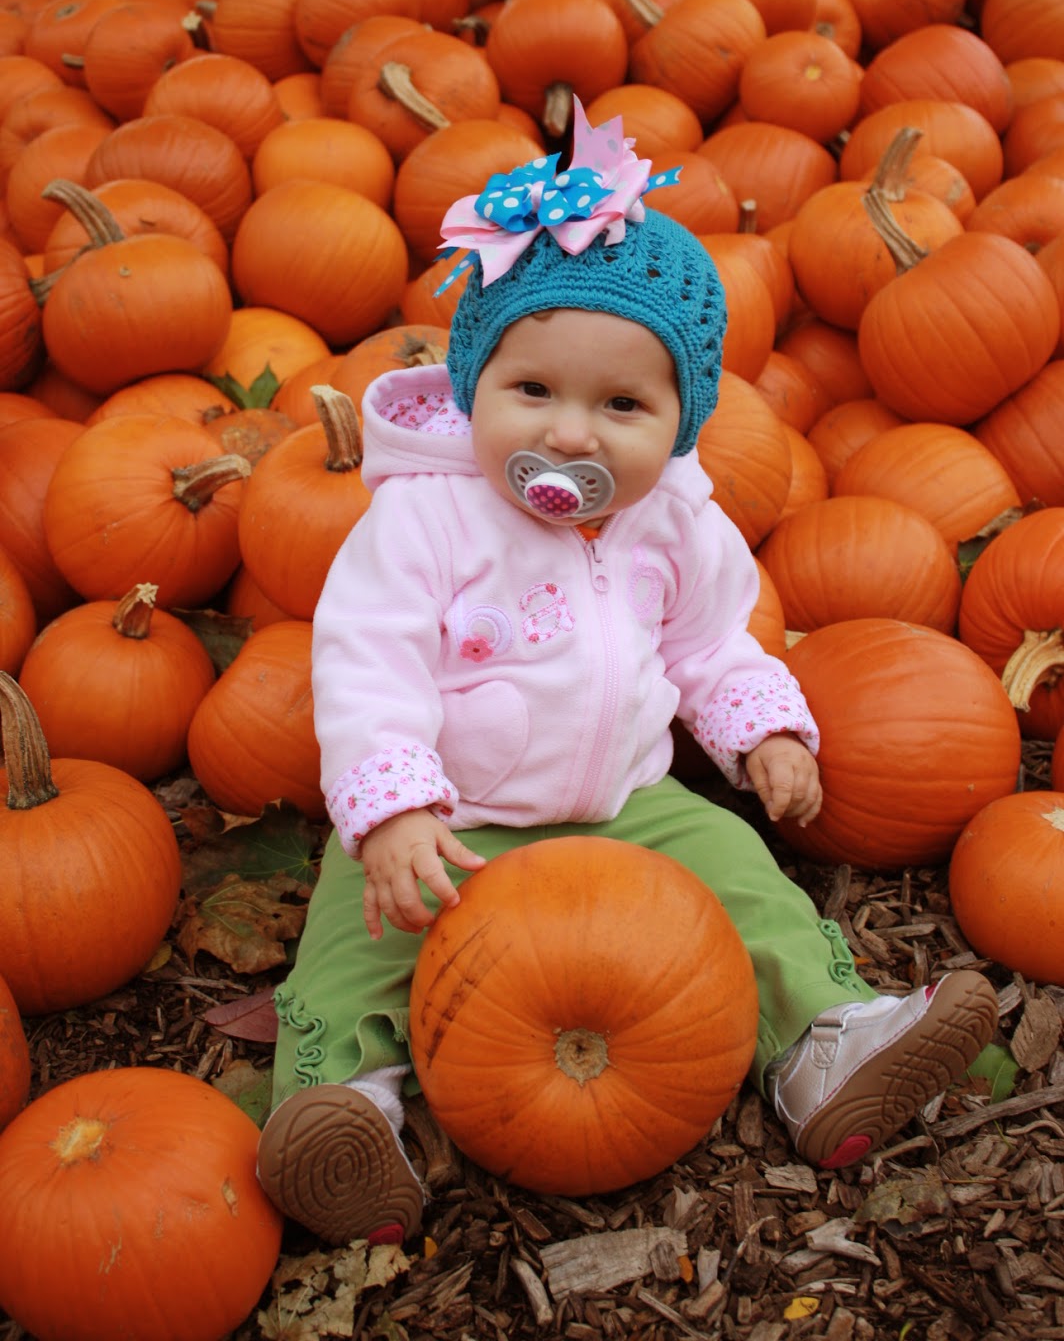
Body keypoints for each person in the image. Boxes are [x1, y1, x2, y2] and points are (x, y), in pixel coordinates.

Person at [257, 102, 998, 1247]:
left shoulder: (674, 524)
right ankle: (343, 1105)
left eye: (621, 406)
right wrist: (396, 805)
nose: (569, 437)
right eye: (533, 392)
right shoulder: (424, 520)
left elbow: (710, 642)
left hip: (629, 811)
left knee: (746, 880)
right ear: (472, 384)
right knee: (358, 937)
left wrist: (761, 729)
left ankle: (822, 1041)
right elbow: (366, 657)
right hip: (462, 821)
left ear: (682, 417)